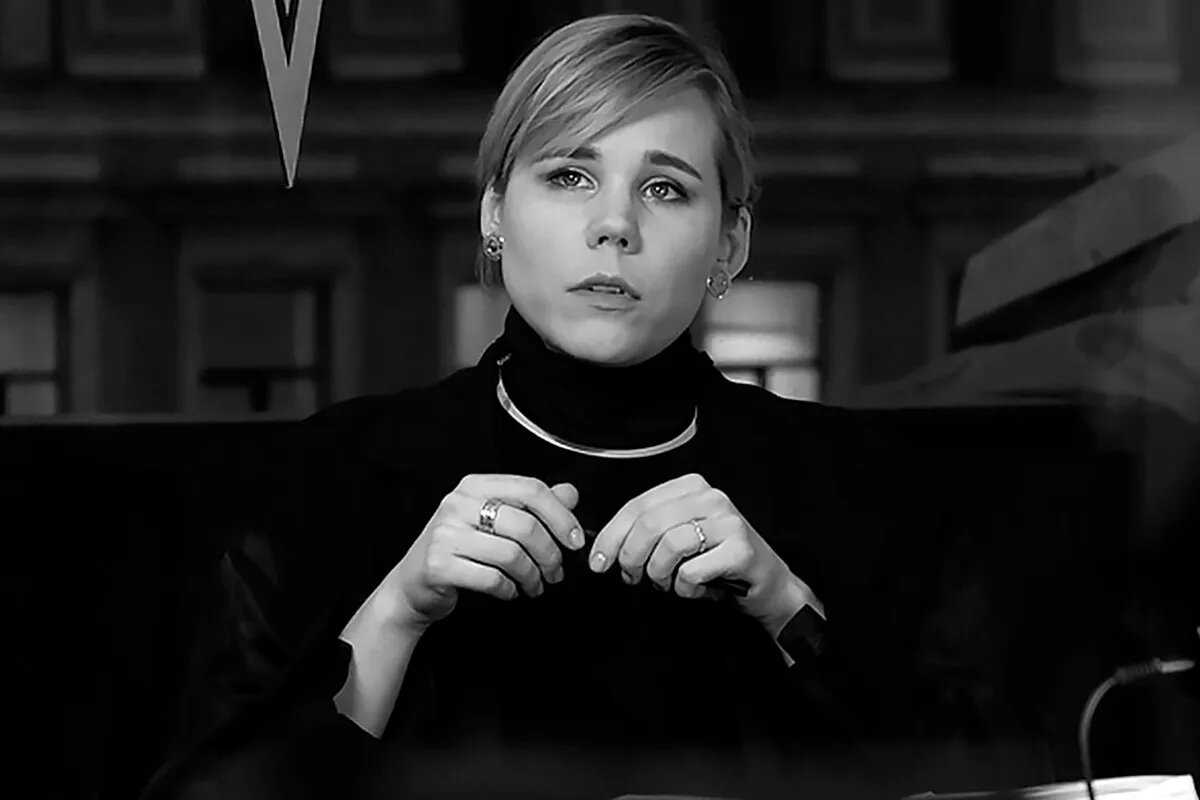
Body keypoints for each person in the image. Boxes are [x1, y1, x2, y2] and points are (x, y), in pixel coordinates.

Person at [139, 13, 1047, 800]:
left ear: (730, 243)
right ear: (494, 215)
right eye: (570, 176)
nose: (616, 225)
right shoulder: (332, 477)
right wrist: (396, 611)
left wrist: (785, 604)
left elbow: (991, 775)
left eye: (665, 187)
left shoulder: (861, 487)